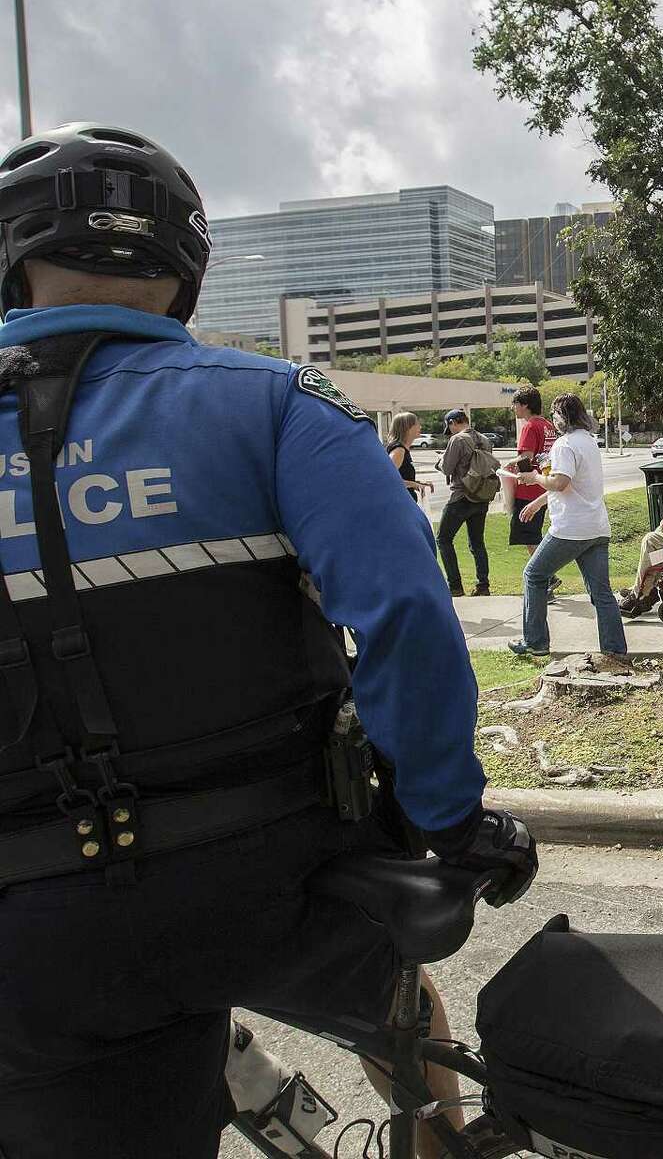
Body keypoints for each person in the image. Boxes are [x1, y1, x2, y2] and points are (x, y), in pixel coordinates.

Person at [0, 122, 537, 1159]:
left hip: (35, 925)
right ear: (184, 270)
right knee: (402, 1012)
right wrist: (451, 816)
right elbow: (405, 618)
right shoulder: (275, 404)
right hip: (273, 880)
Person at [508, 393, 628, 663]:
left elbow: (559, 482)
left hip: (570, 529)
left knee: (534, 575)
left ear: (561, 417)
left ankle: (535, 642)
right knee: (601, 592)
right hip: (597, 527)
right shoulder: (588, 441)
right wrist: (540, 503)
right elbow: (572, 485)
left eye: (555, 415)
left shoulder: (564, 444)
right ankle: (615, 649)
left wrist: (534, 477)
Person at [435, 408, 492, 596]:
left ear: (453, 422)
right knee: (477, 542)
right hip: (481, 497)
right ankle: (483, 585)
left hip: (461, 497)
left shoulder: (457, 439)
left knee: (443, 539)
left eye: (449, 427)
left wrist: (440, 460)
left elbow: (447, 468)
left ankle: (455, 586)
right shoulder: (485, 440)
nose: (450, 431)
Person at [507, 386, 558, 585]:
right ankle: (547, 576)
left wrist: (511, 463)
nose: (513, 408)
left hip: (529, 490)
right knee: (533, 534)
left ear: (525, 405)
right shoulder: (548, 425)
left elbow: (526, 457)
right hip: (545, 486)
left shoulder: (530, 426)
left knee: (528, 535)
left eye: (515, 404)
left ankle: (546, 577)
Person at [386, 410, 432, 503]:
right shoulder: (399, 450)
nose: (420, 427)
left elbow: (402, 477)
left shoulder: (402, 449)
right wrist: (414, 484)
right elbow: (389, 479)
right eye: (417, 424)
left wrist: (418, 483)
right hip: (400, 502)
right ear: (407, 428)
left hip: (404, 500)